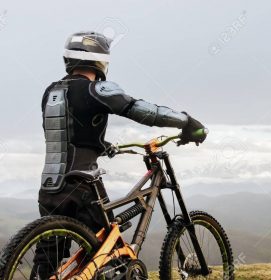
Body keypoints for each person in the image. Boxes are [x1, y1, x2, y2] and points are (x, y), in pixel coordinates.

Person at [32, 31, 206, 278]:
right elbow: (142, 110)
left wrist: (102, 145)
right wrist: (185, 121)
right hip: (82, 186)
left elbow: (70, 133)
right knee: (111, 256)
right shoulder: (97, 89)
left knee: (46, 259)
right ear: (100, 61)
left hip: (49, 188)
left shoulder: (51, 93)